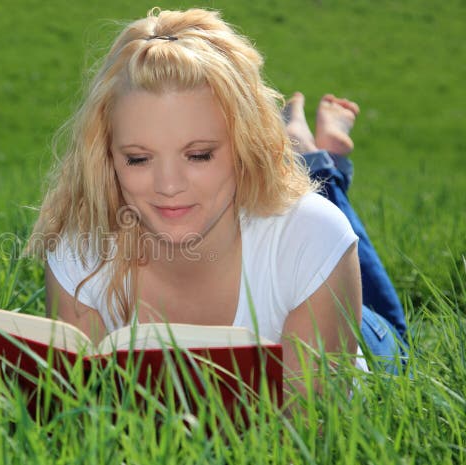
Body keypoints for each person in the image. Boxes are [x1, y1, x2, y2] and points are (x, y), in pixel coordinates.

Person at [26, 8, 407, 385]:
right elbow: (79, 407)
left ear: (246, 146)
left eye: (199, 155)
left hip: (364, 332)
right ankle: (303, 149)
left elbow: (306, 431)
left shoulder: (310, 234)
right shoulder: (81, 253)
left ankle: (319, 162)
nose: (169, 185)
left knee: (326, 210)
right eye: (138, 159)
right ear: (106, 155)